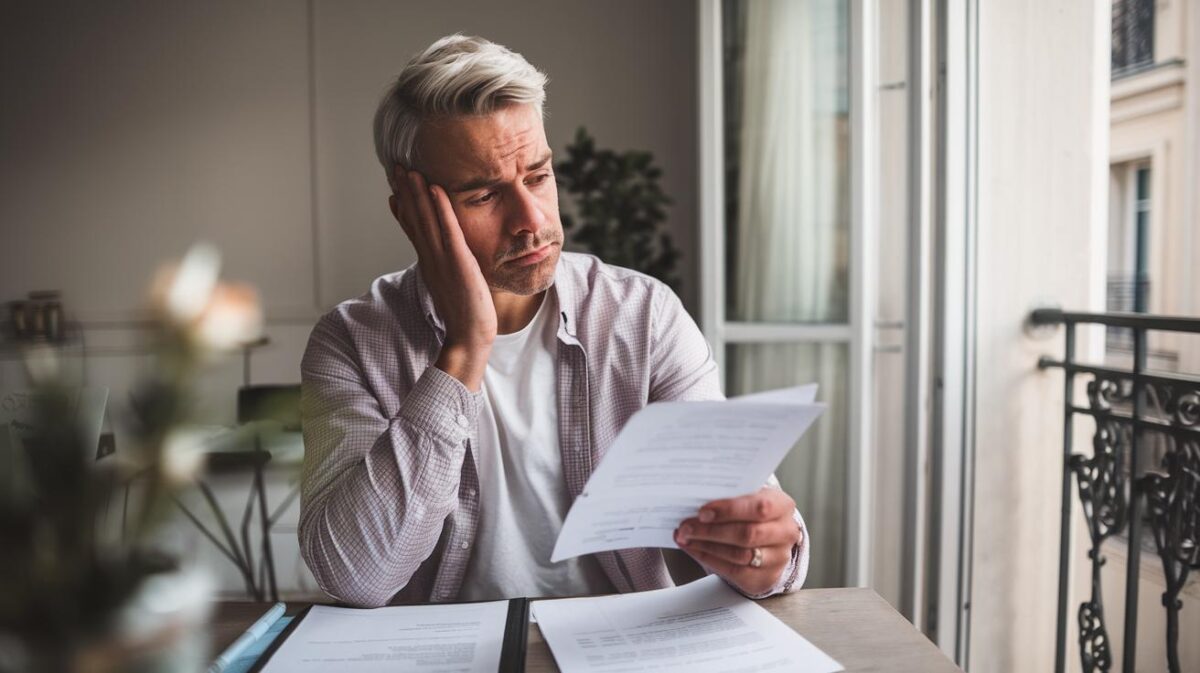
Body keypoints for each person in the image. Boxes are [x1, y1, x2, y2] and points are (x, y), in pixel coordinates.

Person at [299, 34, 810, 607]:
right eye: (485, 195)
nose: (530, 220)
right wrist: (465, 348)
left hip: (617, 651)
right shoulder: (351, 342)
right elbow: (354, 576)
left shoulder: (642, 318)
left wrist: (765, 554)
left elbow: (753, 520)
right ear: (411, 211)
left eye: (538, 177)